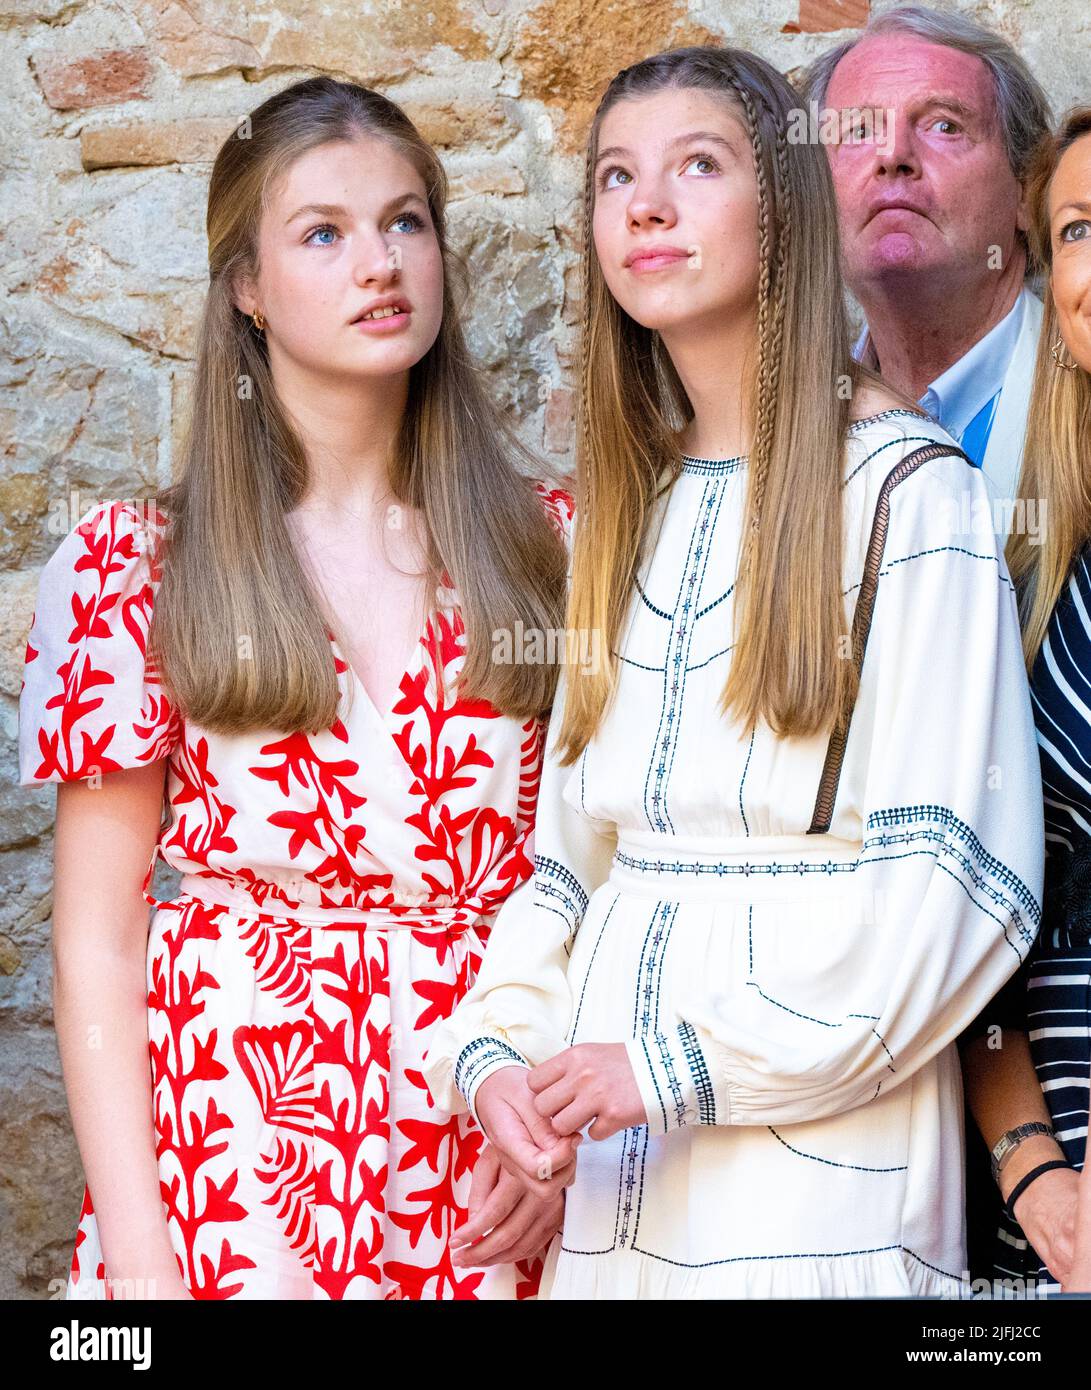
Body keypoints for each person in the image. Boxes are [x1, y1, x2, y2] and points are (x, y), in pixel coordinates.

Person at [422, 45, 1044, 1299]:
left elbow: (952, 888)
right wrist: (498, 1054)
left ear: (783, 208)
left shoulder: (911, 496)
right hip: (610, 1165)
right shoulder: (620, 514)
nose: (643, 205)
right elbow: (568, 860)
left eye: (693, 166)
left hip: (817, 1161)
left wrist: (675, 1064)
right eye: (613, 176)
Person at [18, 76, 573, 1301]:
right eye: (322, 232)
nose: (377, 261)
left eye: (404, 220)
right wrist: (149, 1274)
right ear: (248, 289)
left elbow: (598, 883)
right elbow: (98, 944)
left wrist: (559, 1133)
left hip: (483, 1143)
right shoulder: (135, 566)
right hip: (231, 1165)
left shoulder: (551, 549)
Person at [962, 106, 1091, 1298]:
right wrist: (1028, 1163)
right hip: (1043, 1220)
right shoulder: (1016, 582)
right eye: (1079, 229)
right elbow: (973, 926)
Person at [802, 4, 1052, 534]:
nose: (893, 155)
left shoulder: (1079, 398)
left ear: (1027, 195)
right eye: (858, 130)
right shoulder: (788, 423)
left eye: (944, 125)